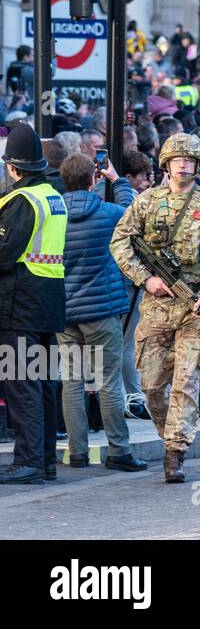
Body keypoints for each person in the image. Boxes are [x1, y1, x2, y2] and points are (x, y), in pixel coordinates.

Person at [109, 133, 200, 483]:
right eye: (177, 159)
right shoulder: (147, 202)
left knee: (185, 380)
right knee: (150, 386)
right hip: (157, 307)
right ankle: (169, 435)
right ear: (165, 163)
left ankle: (174, 452)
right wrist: (144, 279)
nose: (182, 164)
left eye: (189, 160)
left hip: (194, 306)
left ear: (196, 165)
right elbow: (120, 243)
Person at [57, 154, 147, 473]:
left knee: (72, 382)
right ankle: (118, 451)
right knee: (109, 382)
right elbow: (133, 211)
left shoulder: (55, 212)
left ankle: (77, 452)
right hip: (102, 310)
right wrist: (117, 179)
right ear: (92, 179)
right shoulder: (108, 213)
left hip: (65, 311)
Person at [0, 123, 68, 484]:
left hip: (19, 303)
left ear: (12, 167)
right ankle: (43, 461)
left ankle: (27, 463)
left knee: (21, 382)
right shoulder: (51, 195)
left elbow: (4, 252)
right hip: (48, 299)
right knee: (41, 383)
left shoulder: (21, 201)